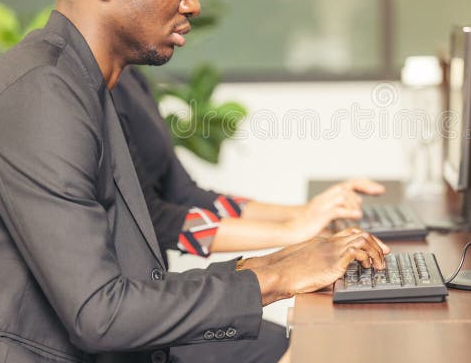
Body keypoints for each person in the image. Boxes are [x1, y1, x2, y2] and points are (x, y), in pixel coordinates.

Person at [0, 0, 387, 363]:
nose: (193, 4)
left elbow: (134, 277)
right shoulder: (40, 97)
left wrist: (283, 260)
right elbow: (100, 313)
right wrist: (276, 273)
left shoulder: (87, 85)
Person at [113, 66, 385, 259]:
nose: (191, 6)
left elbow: (184, 195)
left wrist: (304, 213)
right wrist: (288, 232)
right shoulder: (99, 92)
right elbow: (153, 222)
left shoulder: (130, 75)